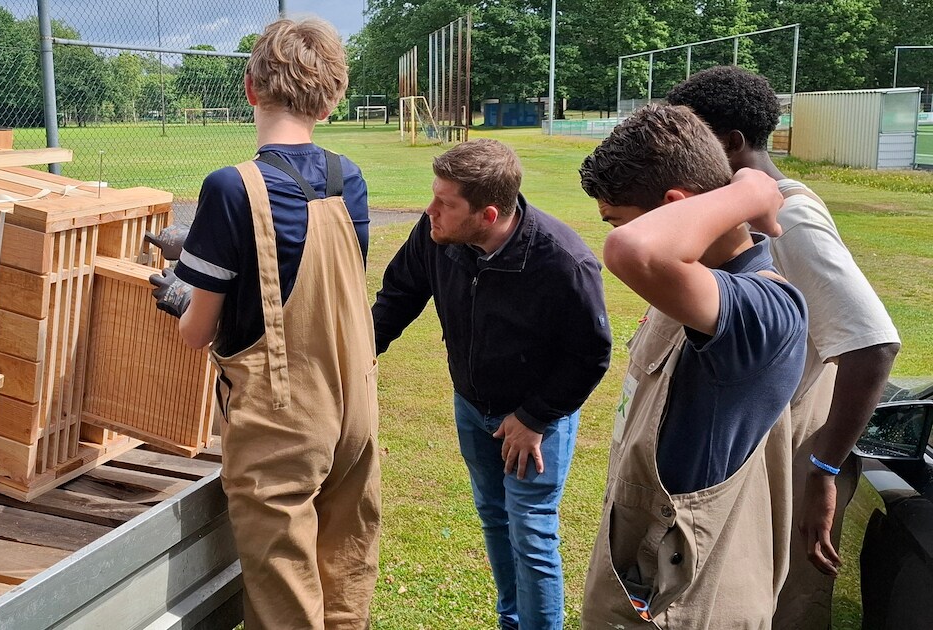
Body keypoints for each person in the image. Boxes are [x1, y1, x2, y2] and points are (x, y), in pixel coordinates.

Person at [147, 17, 380, 630]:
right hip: (354, 410)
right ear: (331, 100)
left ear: (250, 88)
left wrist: (185, 291)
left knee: (286, 604)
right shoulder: (348, 178)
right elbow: (306, 265)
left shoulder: (231, 188)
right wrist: (204, 250)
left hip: (284, 424)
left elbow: (198, 332)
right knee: (345, 580)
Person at [665, 66, 901, 630]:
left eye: (694, 140)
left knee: (786, 601)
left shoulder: (788, 217)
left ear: (730, 143)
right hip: (756, 440)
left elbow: (872, 344)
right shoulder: (744, 211)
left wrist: (823, 469)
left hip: (797, 453)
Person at [578, 104, 808, 628]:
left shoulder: (762, 310)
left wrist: (750, 190)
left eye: (616, 216)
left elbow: (634, 250)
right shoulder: (696, 290)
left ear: (674, 207)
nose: (613, 230)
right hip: (646, 577)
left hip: (686, 605)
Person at [372, 138, 612, 629]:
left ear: (488, 214)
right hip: (471, 404)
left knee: (531, 531)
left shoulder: (562, 261)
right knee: (494, 516)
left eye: (445, 203)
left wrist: (534, 418)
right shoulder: (437, 235)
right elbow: (399, 295)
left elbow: (591, 354)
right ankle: (512, 620)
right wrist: (357, 355)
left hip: (534, 420)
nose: (430, 210)